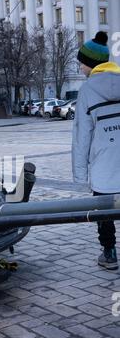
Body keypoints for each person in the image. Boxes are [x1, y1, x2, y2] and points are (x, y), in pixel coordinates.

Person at [73, 31, 120, 271]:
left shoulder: (87, 91)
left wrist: (80, 176)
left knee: (104, 211)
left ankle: (109, 253)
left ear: (91, 64)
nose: (80, 67)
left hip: (103, 166)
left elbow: (82, 137)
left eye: (81, 63)